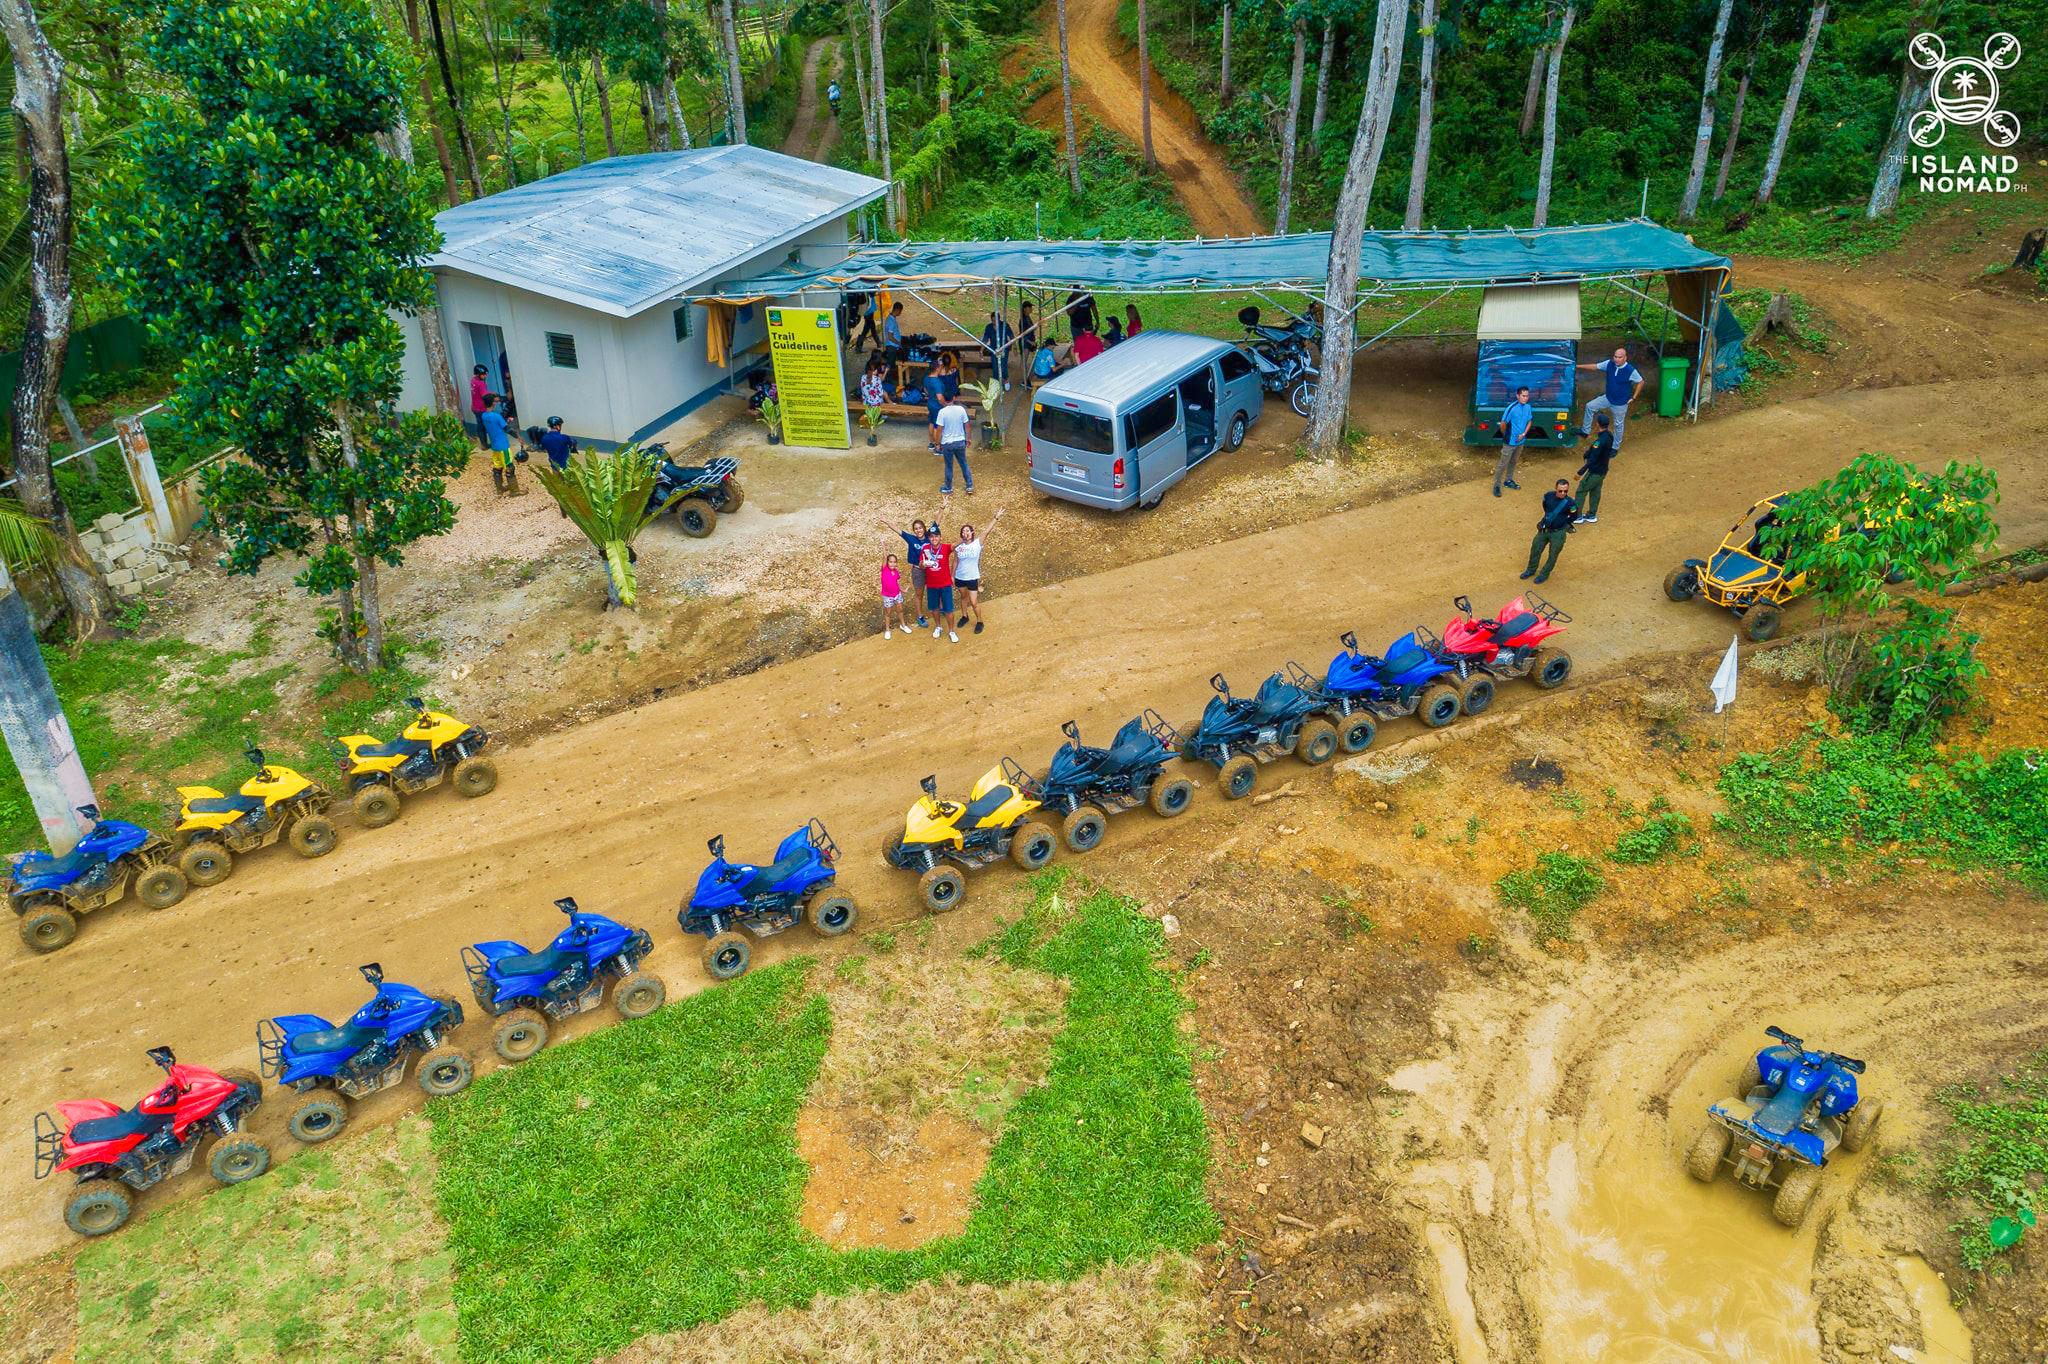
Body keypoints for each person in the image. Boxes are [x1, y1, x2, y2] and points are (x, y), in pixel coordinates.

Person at [1576, 344, 1643, 447]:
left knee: (1618, 426)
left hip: (1620, 403)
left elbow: (1641, 382)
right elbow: (1595, 366)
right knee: (1590, 406)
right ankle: (1585, 431)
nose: (1616, 359)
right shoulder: (1609, 363)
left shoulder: (1630, 370)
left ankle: (1615, 447)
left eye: (1619, 357)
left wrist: (1633, 397)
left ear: (1625, 358)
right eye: (1615, 356)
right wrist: (1578, 366)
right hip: (1607, 398)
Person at [878, 516, 937, 627]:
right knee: (919, 594)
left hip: (930, 569)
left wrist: (942, 508)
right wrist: (886, 521)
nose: (918, 530)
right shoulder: (911, 539)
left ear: (924, 528)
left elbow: (936, 523)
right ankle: (920, 616)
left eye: (920, 528)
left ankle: (939, 609)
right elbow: (898, 530)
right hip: (918, 570)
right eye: (916, 529)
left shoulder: (929, 536)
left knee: (935, 590)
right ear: (914, 531)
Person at [952, 509, 1002, 634]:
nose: (965, 533)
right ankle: (965, 616)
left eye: (967, 530)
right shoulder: (959, 546)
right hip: (960, 577)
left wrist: (995, 518)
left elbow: (986, 531)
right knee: (963, 597)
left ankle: (980, 621)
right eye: (963, 531)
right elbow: (955, 561)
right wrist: (952, 576)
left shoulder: (977, 543)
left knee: (974, 602)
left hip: (972, 577)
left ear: (972, 532)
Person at [1522, 479, 1578, 584]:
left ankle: (1544, 574)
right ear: (1556, 488)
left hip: (1558, 533)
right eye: (1560, 491)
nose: (1563, 493)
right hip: (1545, 529)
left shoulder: (1570, 503)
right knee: (1535, 549)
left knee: (1553, 555)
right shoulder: (1548, 496)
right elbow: (1545, 507)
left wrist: (1563, 523)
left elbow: (1574, 516)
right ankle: (1531, 570)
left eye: (1565, 491)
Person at [1574, 412, 1615, 524]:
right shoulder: (1609, 436)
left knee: (1581, 490)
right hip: (1603, 470)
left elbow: (1592, 459)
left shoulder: (1599, 441)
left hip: (1595, 471)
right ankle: (1591, 514)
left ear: (1597, 424)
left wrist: (1580, 472)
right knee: (1595, 491)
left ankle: (1577, 516)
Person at [1494, 385, 1534, 497]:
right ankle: (1497, 486)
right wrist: (1506, 435)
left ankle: (1508, 480)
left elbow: (1529, 421)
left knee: (1513, 461)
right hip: (1510, 442)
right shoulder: (1511, 408)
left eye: (1527, 396)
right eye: (1523, 396)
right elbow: (1503, 424)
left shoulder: (1528, 407)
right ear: (1518, 396)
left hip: (1521, 441)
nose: (1525, 398)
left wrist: (1523, 434)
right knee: (1503, 464)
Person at [919, 532, 958, 641]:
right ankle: (938, 627)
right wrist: (923, 564)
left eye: (936, 536)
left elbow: (954, 545)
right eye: (931, 536)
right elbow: (921, 565)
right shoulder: (926, 548)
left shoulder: (945, 547)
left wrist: (963, 538)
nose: (934, 538)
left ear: (940, 537)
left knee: (948, 609)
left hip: (945, 585)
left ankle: (951, 631)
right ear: (929, 538)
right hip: (931, 585)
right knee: (934, 608)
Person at [935, 390, 974, 496]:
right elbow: (967, 425)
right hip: (960, 441)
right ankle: (969, 486)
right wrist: (968, 438)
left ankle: (948, 488)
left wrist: (937, 443)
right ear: (954, 398)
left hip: (947, 443)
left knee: (949, 465)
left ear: (944, 399)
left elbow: (939, 430)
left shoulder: (942, 412)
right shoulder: (961, 409)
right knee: (963, 463)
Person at [480, 394, 520, 495]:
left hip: (495, 446)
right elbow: (507, 429)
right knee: (509, 466)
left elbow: (494, 425)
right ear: (493, 403)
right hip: (503, 445)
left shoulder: (484, 416)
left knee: (497, 467)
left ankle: (499, 488)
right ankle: (514, 491)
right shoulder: (496, 416)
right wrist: (518, 437)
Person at [981, 311, 1015, 392]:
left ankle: (1006, 381)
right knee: (995, 367)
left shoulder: (1005, 325)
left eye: (996, 320)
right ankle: (996, 384)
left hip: (1004, 348)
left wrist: (1015, 347)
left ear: (999, 319)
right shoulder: (989, 327)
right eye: (993, 320)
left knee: (1003, 366)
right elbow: (985, 338)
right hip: (994, 349)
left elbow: (1011, 336)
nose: (994, 322)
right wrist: (981, 349)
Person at [879, 552, 907, 638]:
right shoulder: (885, 570)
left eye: (894, 562)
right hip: (888, 596)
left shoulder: (896, 572)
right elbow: (884, 557)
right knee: (888, 613)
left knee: (900, 610)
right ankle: (887, 630)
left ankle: (903, 625)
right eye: (890, 562)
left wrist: (902, 590)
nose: (892, 564)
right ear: (887, 562)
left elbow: (896, 583)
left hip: (897, 594)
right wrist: (884, 547)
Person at [469, 364, 492, 447]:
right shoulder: (481, 383)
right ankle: (485, 445)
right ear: (478, 374)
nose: (486, 376)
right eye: (484, 374)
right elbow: (484, 396)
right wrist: (493, 397)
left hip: (474, 407)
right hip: (481, 408)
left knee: (480, 425)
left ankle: (483, 443)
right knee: (484, 426)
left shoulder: (473, 381)